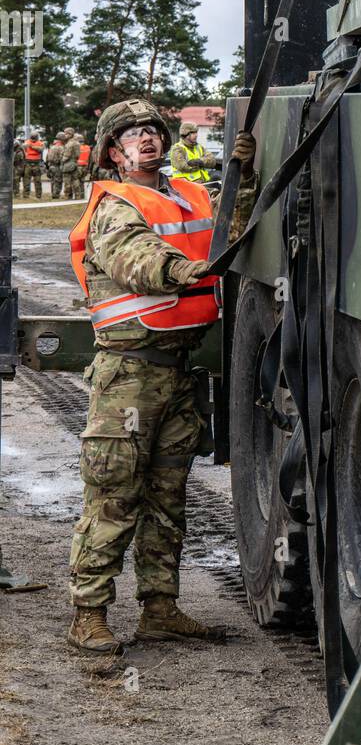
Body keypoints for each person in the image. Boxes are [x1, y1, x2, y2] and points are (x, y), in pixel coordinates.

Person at [67, 98, 257, 655]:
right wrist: (189, 270)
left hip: (176, 371)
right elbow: (136, 259)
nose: (146, 139)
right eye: (131, 135)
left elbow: (229, 224)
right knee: (113, 495)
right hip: (127, 374)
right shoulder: (114, 205)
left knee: (168, 498)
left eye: (152, 130)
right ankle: (89, 613)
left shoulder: (188, 195)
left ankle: (160, 608)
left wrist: (242, 182)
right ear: (112, 153)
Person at [22, 132, 46, 199]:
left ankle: (38, 196)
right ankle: (26, 196)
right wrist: (28, 145)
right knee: (26, 181)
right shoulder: (26, 142)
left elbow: (41, 149)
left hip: (37, 163)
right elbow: (23, 147)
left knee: (37, 181)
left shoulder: (40, 143)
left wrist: (32, 146)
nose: (33, 139)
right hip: (28, 163)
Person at [61, 127, 82, 200]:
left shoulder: (70, 144)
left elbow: (66, 155)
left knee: (67, 181)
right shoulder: (77, 143)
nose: (65, 135)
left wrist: (62, 161)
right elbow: (78, 155)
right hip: (75, 163)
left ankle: (67, 196)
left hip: (68, 164)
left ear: (70, 134)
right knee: (75, 180)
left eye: (66, 133)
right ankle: (78, 195)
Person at [46, 132, 68, 200]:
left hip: (51, 166)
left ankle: (53, 194)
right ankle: (56, 195)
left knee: (53, 181)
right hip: (57, 166)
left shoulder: (52, 146)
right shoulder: (61, 147)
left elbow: (47, 157)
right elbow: (62, 158)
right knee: (58, 182)